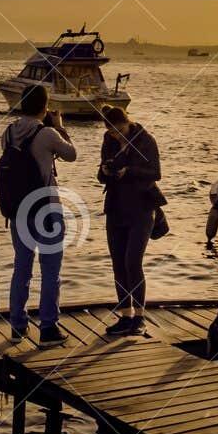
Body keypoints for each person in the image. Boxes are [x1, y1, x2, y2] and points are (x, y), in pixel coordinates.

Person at [0, 84, 76, 343]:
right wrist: (59, 125)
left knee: (21, 268)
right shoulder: (48, 134)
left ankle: (17, 326)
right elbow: (72, 155)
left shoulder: (8, 133)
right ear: (45, 107)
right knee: (50, 270)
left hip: (18, 210)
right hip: (45, 210)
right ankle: (48, 329)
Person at [96, 106, 164, 337]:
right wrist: (105, 171)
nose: (116, 134)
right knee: (118, 263)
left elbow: (155, 172)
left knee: (132, 262)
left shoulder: (145, 140)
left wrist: (129, 171)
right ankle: (125, 315)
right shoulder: (109, 140)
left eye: (119, 129)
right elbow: (100, 174)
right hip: (115, 207)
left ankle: (140, 317)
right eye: (112, 131)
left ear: (128, 122)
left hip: (142, 208)